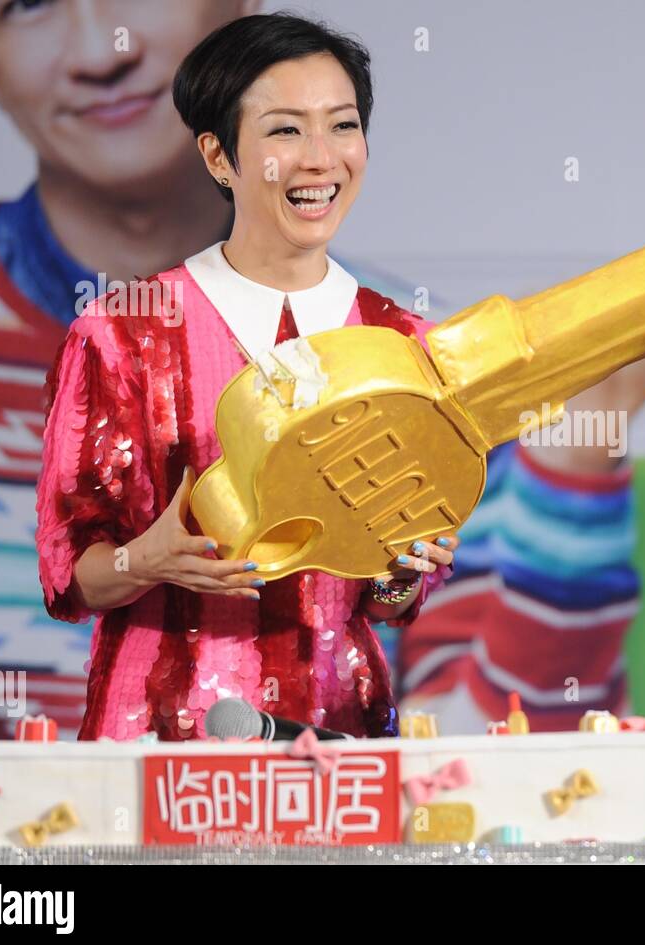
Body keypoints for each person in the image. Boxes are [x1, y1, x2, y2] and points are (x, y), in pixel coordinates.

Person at [35, 13, 456, 740]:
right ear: (219, 157)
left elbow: (386, 602)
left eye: (342, 125)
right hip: (161, 740)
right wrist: (147, 560)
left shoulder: (402, 342)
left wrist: (402, 572)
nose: (321, 159)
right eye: (286, 131)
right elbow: (68, 575)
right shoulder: (120, 334)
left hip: (339, 737)